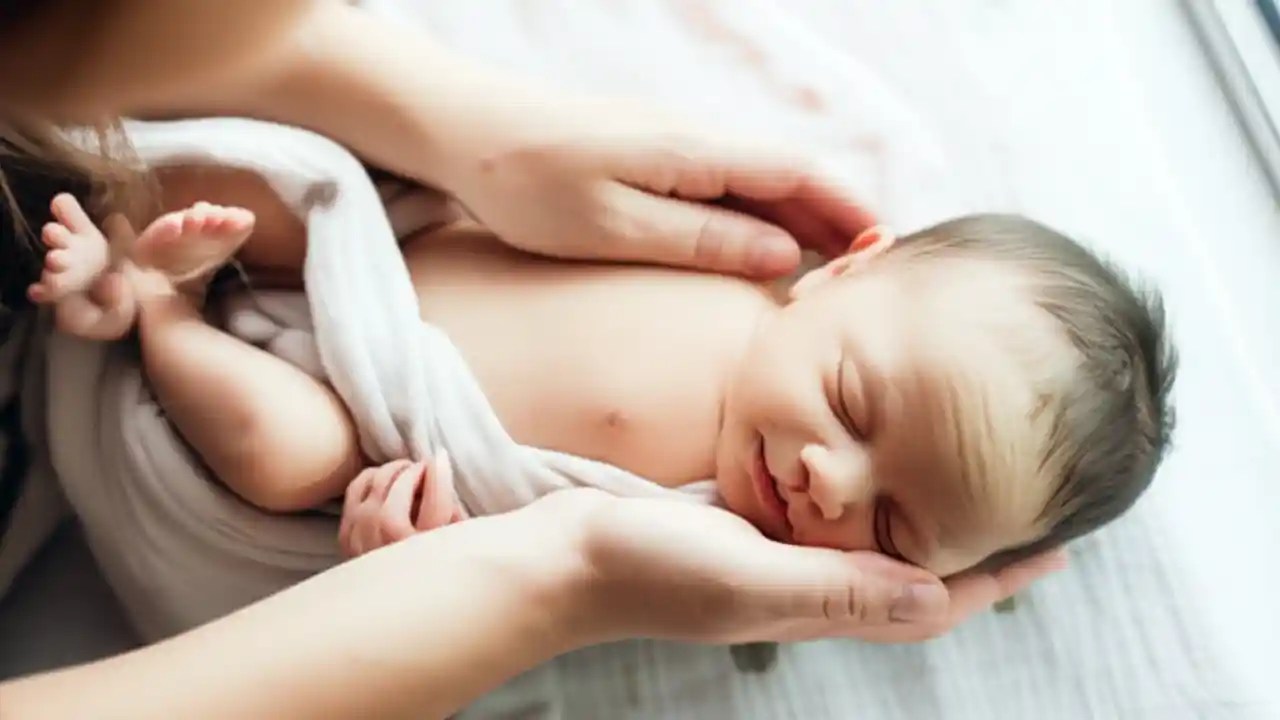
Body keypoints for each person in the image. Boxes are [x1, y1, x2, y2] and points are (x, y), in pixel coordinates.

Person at [0, 2, 1068, 718]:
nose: (828, 480)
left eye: (884, 527)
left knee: (293, 453)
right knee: (295, 185)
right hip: (349, 267)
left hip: (309, 429)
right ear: (842, 275)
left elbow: (461, 567)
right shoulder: (744, 276)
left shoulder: (710, 538)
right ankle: (136, 265)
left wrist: (410, 559)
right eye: (850, 403)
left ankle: (152, 304)